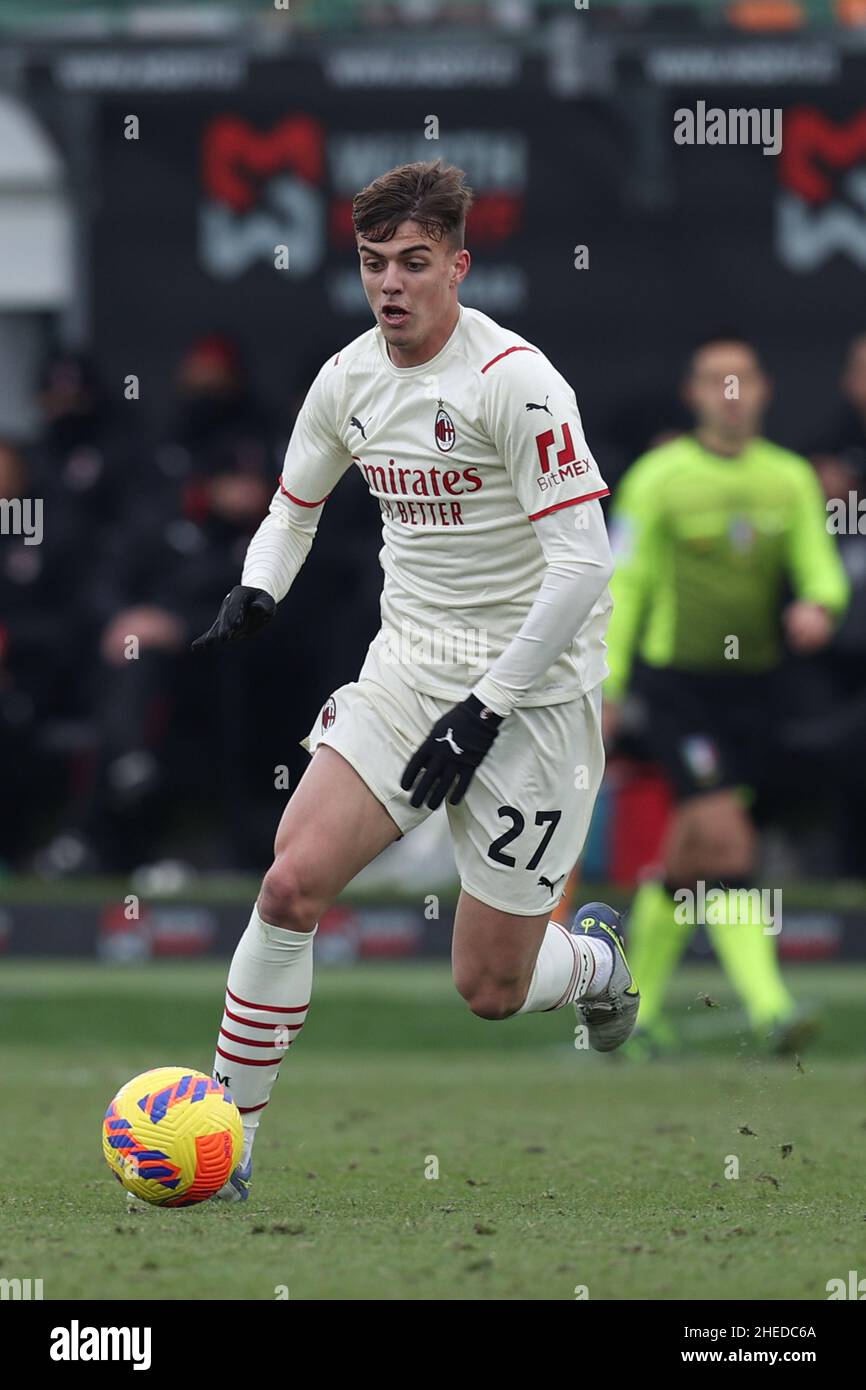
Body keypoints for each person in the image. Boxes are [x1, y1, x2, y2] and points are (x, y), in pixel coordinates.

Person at [192, 159, 637, 1201]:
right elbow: (292, 509)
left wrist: (486, 708)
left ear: (458, 267)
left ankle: (598, 964)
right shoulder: (347, 379)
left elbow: (583, 567)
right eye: (371, 262)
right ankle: (225, 1146)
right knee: (288, 884)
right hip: (407, 670)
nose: (389, 284)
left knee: (489, 987)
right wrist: (259, 586)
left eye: (413, 262)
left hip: (532, 695)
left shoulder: (516, 382)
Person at [602, 334, 849, 1058]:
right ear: (693, 394)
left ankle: (630, 1017)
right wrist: (609, 686)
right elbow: (625, 581)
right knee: (729, 838)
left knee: (689, 858)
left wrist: (821, 606)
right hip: (678, 689)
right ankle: (773, 1010)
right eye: (716, 380)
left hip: (757, 689)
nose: (731, 395)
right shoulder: (658, 478)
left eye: (742, 379)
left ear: (764, 389)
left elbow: (821, 567)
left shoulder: (788, 479)